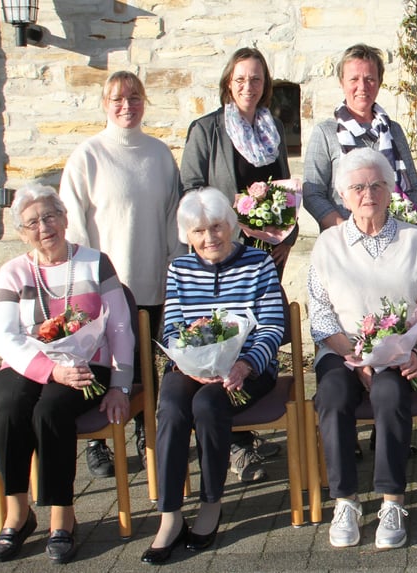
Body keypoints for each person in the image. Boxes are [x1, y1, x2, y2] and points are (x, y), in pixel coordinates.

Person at [0, 184, 133, 564]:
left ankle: (62, 516)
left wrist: (120, 386)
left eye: (50, 216)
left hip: (88, 364)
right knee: (9, 406)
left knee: (50, 410)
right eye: (32, 223)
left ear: (65, 219)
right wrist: (51, 370)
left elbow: (120, 328)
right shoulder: (14, 272)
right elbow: (6, 338)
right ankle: (18, 515)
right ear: (22, 233)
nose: (44, 227)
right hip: (27, 364)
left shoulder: (95, 262)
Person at [309, 148, 417, 550]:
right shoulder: (328, 244)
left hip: (403, 354)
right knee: (332, 395)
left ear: (390, 190)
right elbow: (320, 316)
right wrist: (356, 360)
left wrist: (416, 352)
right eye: (358, 187)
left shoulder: (413, 239)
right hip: (342, 352)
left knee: (388, 393)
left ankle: (392, 501)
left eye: (377, 185)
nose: (368, 193)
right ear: (343, 196)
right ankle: (346, 501)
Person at [141, 188, 284, 564]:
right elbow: (172, 328)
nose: (210, 238)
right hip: (191, 366)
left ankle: (210, 504)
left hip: (249, 368)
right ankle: (170, 516)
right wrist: (192, 362)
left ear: (231, 225)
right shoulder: (180, 268)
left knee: (207, 405)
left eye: (217, 227)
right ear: (187, 235)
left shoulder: (258, 263)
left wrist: (244, 364)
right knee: (172, 407)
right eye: (199, 231)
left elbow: (272, 326)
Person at [59, 70, 181, 480]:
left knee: (144, 363)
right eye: (117, 99)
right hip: (102, 286)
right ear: (104, 104)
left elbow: (172, 217)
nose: (127, 105)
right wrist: (87, 281)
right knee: (102, 363)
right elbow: (74, 226)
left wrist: (174, 266)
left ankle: (148, 433)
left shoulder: (159, 155)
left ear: (144, 102)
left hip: (149, 279)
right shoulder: (88, 156)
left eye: (134, 97)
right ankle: (99, 442)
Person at [180, 47, 291, 479]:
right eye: (241, 78)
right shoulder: (207, 129)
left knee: (257, 335)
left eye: (257, 79)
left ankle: (245, 428)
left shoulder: (271, 128)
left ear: (266, 85)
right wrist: (228, 226)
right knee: (225, 338)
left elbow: (285, 191)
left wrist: (287, 238)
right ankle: (236, 445)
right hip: (223, 255)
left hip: (265, 254)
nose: (249, 86)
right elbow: (191, 190)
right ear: (229, 82)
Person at [303, 44, 417, 232]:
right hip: (343, 239)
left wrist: (400, 224)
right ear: (342, 82)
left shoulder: (393, 130)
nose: (362, 86)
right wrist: (345, 231)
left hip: (393, 236)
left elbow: (413, 188)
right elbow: (313, 194)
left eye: (370, 79)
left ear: (379, 82)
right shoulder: (325, 133)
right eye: (354, 79)